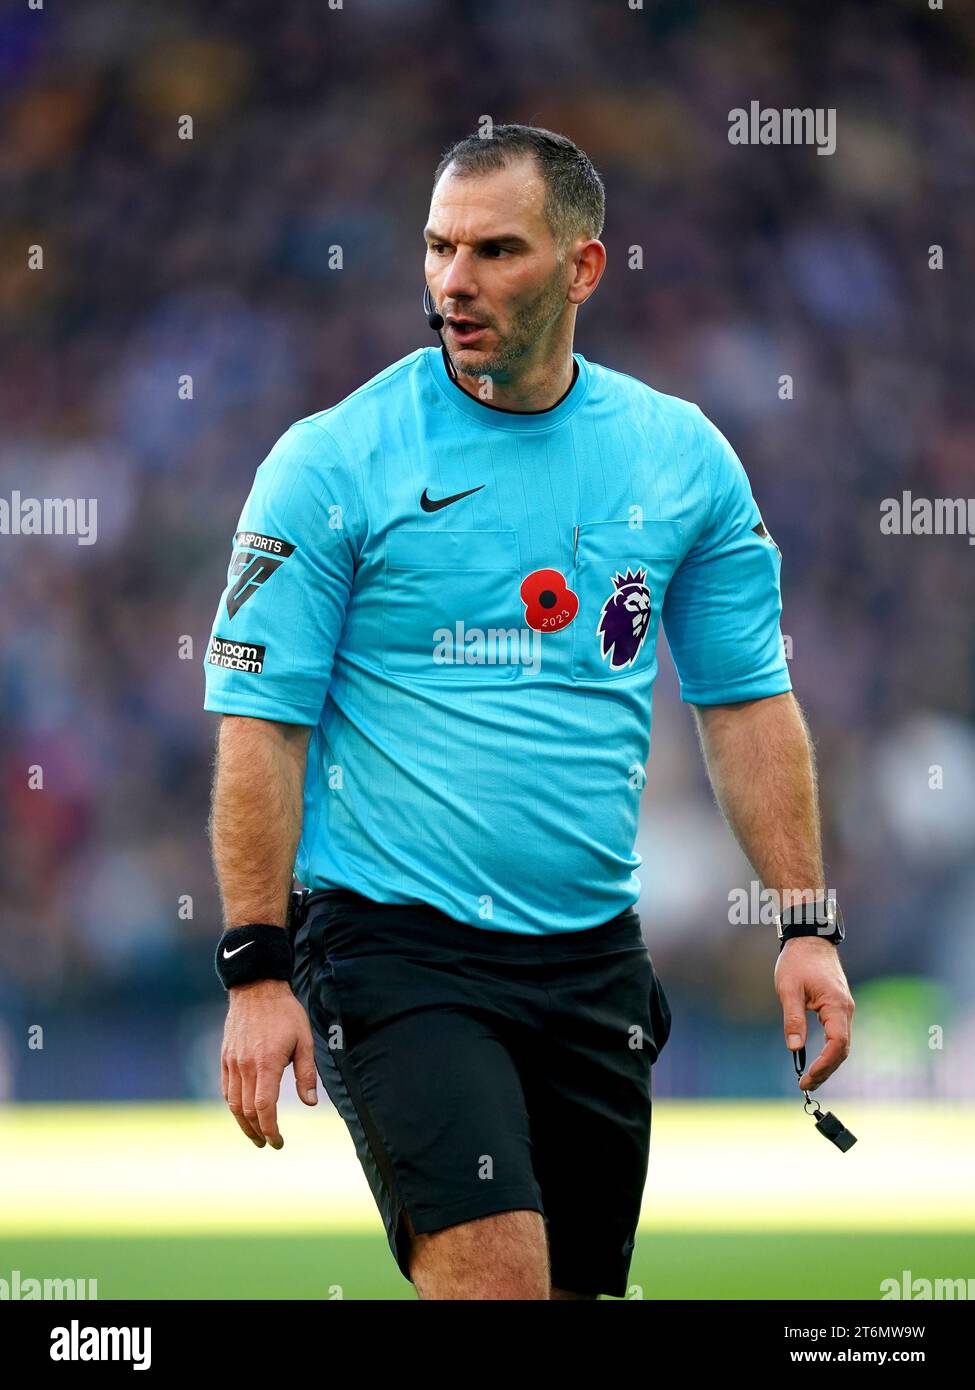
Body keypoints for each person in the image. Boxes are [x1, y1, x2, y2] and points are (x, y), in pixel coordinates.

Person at [203, 124, 854, 1301]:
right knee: (494, 1284)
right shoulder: (331, 462)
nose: (454, 282)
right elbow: (262, 720)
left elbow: (747, 700)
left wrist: (805, 919)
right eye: (439, 248)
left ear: (584, 268)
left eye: (496, 250)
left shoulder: (679, 458)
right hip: (395, 948)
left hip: (593, 956)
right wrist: (255, 968)